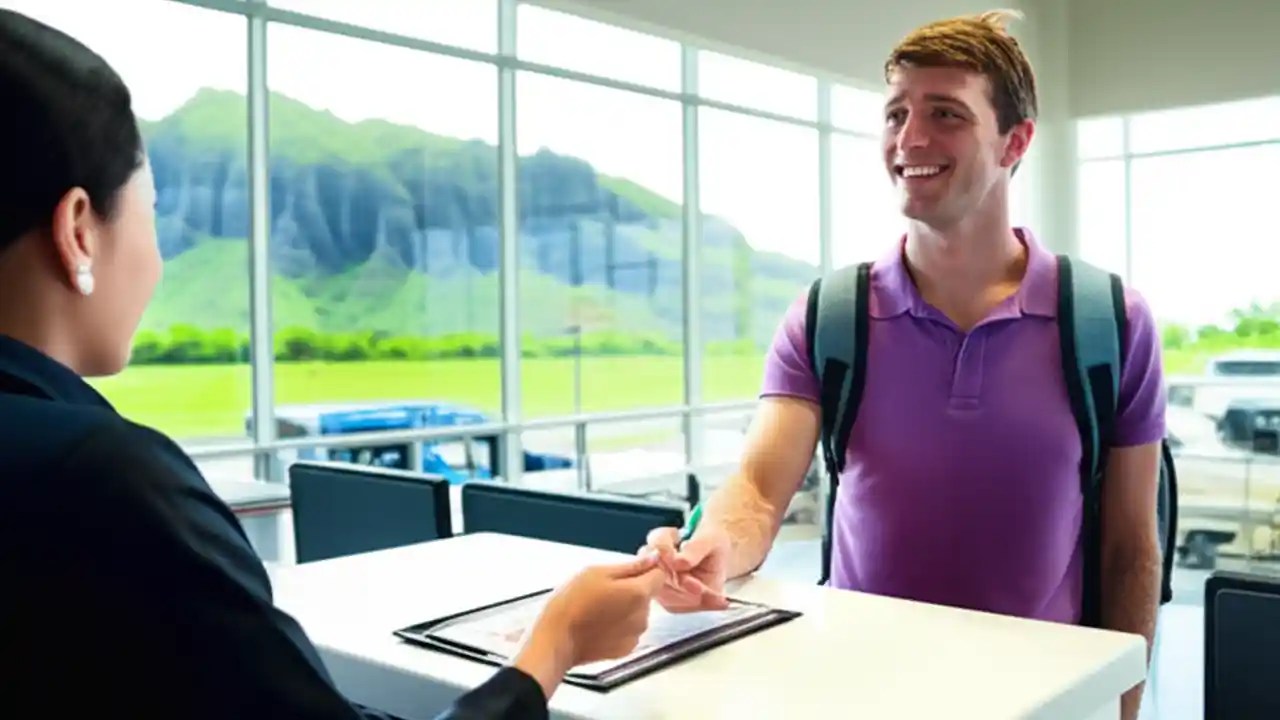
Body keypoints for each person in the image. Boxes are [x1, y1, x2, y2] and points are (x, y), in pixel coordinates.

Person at [0, 9, 666, 719]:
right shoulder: (103, 480)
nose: (158, 261)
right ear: (79, 230)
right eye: (152, 212)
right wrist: (556, 645)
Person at [644, 10, 1165, 720]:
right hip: (861, 693)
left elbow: (1130, 549)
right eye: (896, 114)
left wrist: (1122, 708)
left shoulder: (1110, 322)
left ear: (1015, 141)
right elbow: (759, 493)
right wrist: (714, 547)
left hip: (1045, 700)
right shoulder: (829, 316)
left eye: (946, 113)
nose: (910, 138)